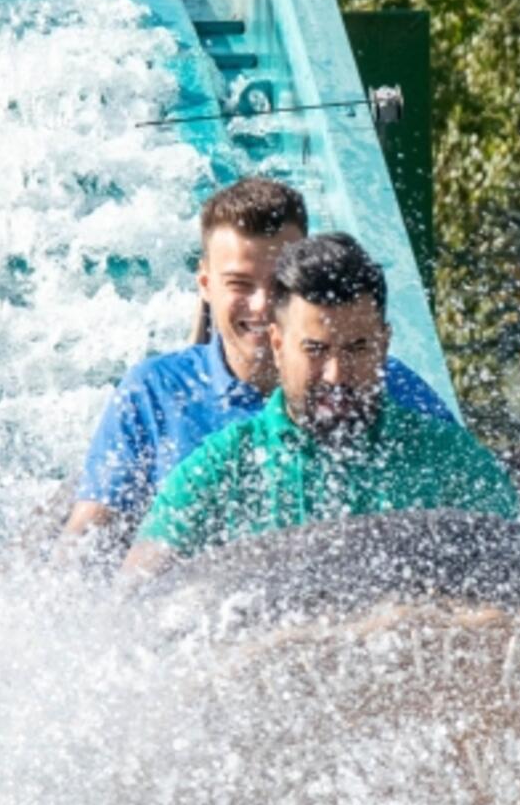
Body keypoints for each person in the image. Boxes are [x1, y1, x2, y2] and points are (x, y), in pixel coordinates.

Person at [61, 177, 455, 544]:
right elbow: (87, 548)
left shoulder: (374, 383)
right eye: (239, 284)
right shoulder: (156, 392)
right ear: (205, 285)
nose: (264, 305)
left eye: (279, 285)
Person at [123, 233, 520, 576]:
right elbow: (136, 615)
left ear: (384, 344)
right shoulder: (218, 474)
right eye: (315, 349)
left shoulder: (452, 463)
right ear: (277, 345)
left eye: (358, 348)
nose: (336, 374)